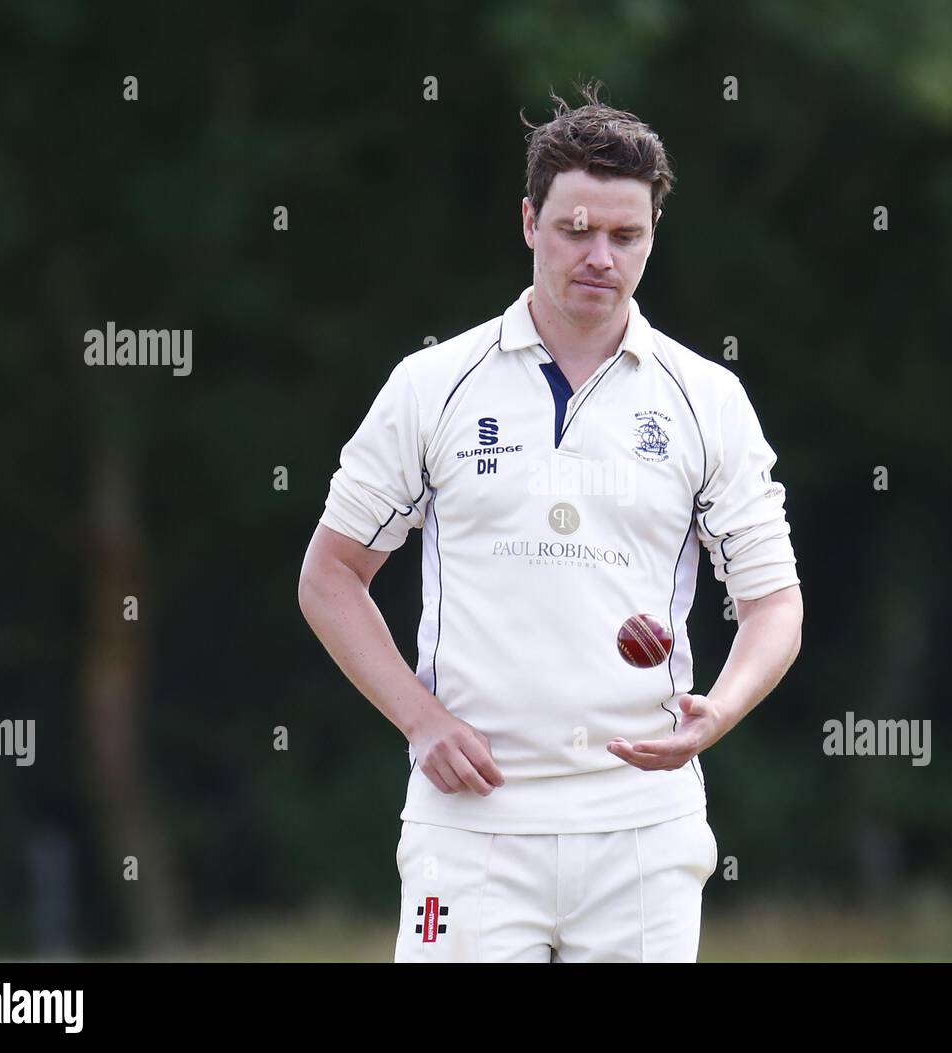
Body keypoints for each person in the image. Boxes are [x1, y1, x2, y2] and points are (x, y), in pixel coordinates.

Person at [298, 81, 804, 962]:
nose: (600, 256)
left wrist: (714, 713)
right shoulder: (434, 385)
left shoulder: (707, 399)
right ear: (530, 221)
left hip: (642, 831)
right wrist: (420, 720)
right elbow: (330, 575)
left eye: (625, 235)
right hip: (472, 827)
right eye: (576, 230)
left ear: (651, 236)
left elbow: (775, 603)